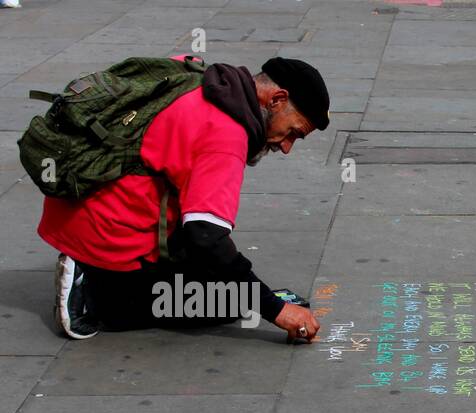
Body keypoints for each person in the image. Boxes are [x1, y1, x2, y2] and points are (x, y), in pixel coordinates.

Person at [37, 56, 328, 342]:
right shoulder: (226, 136)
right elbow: (207, 238)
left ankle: (99, 271)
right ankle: (93, 294)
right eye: (293, 133)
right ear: (276, 99)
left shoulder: (200, 78)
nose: (287, 147)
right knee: (223, 303)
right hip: (102, 233)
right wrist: (276, 310)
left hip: (78, 201)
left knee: (219, 277)